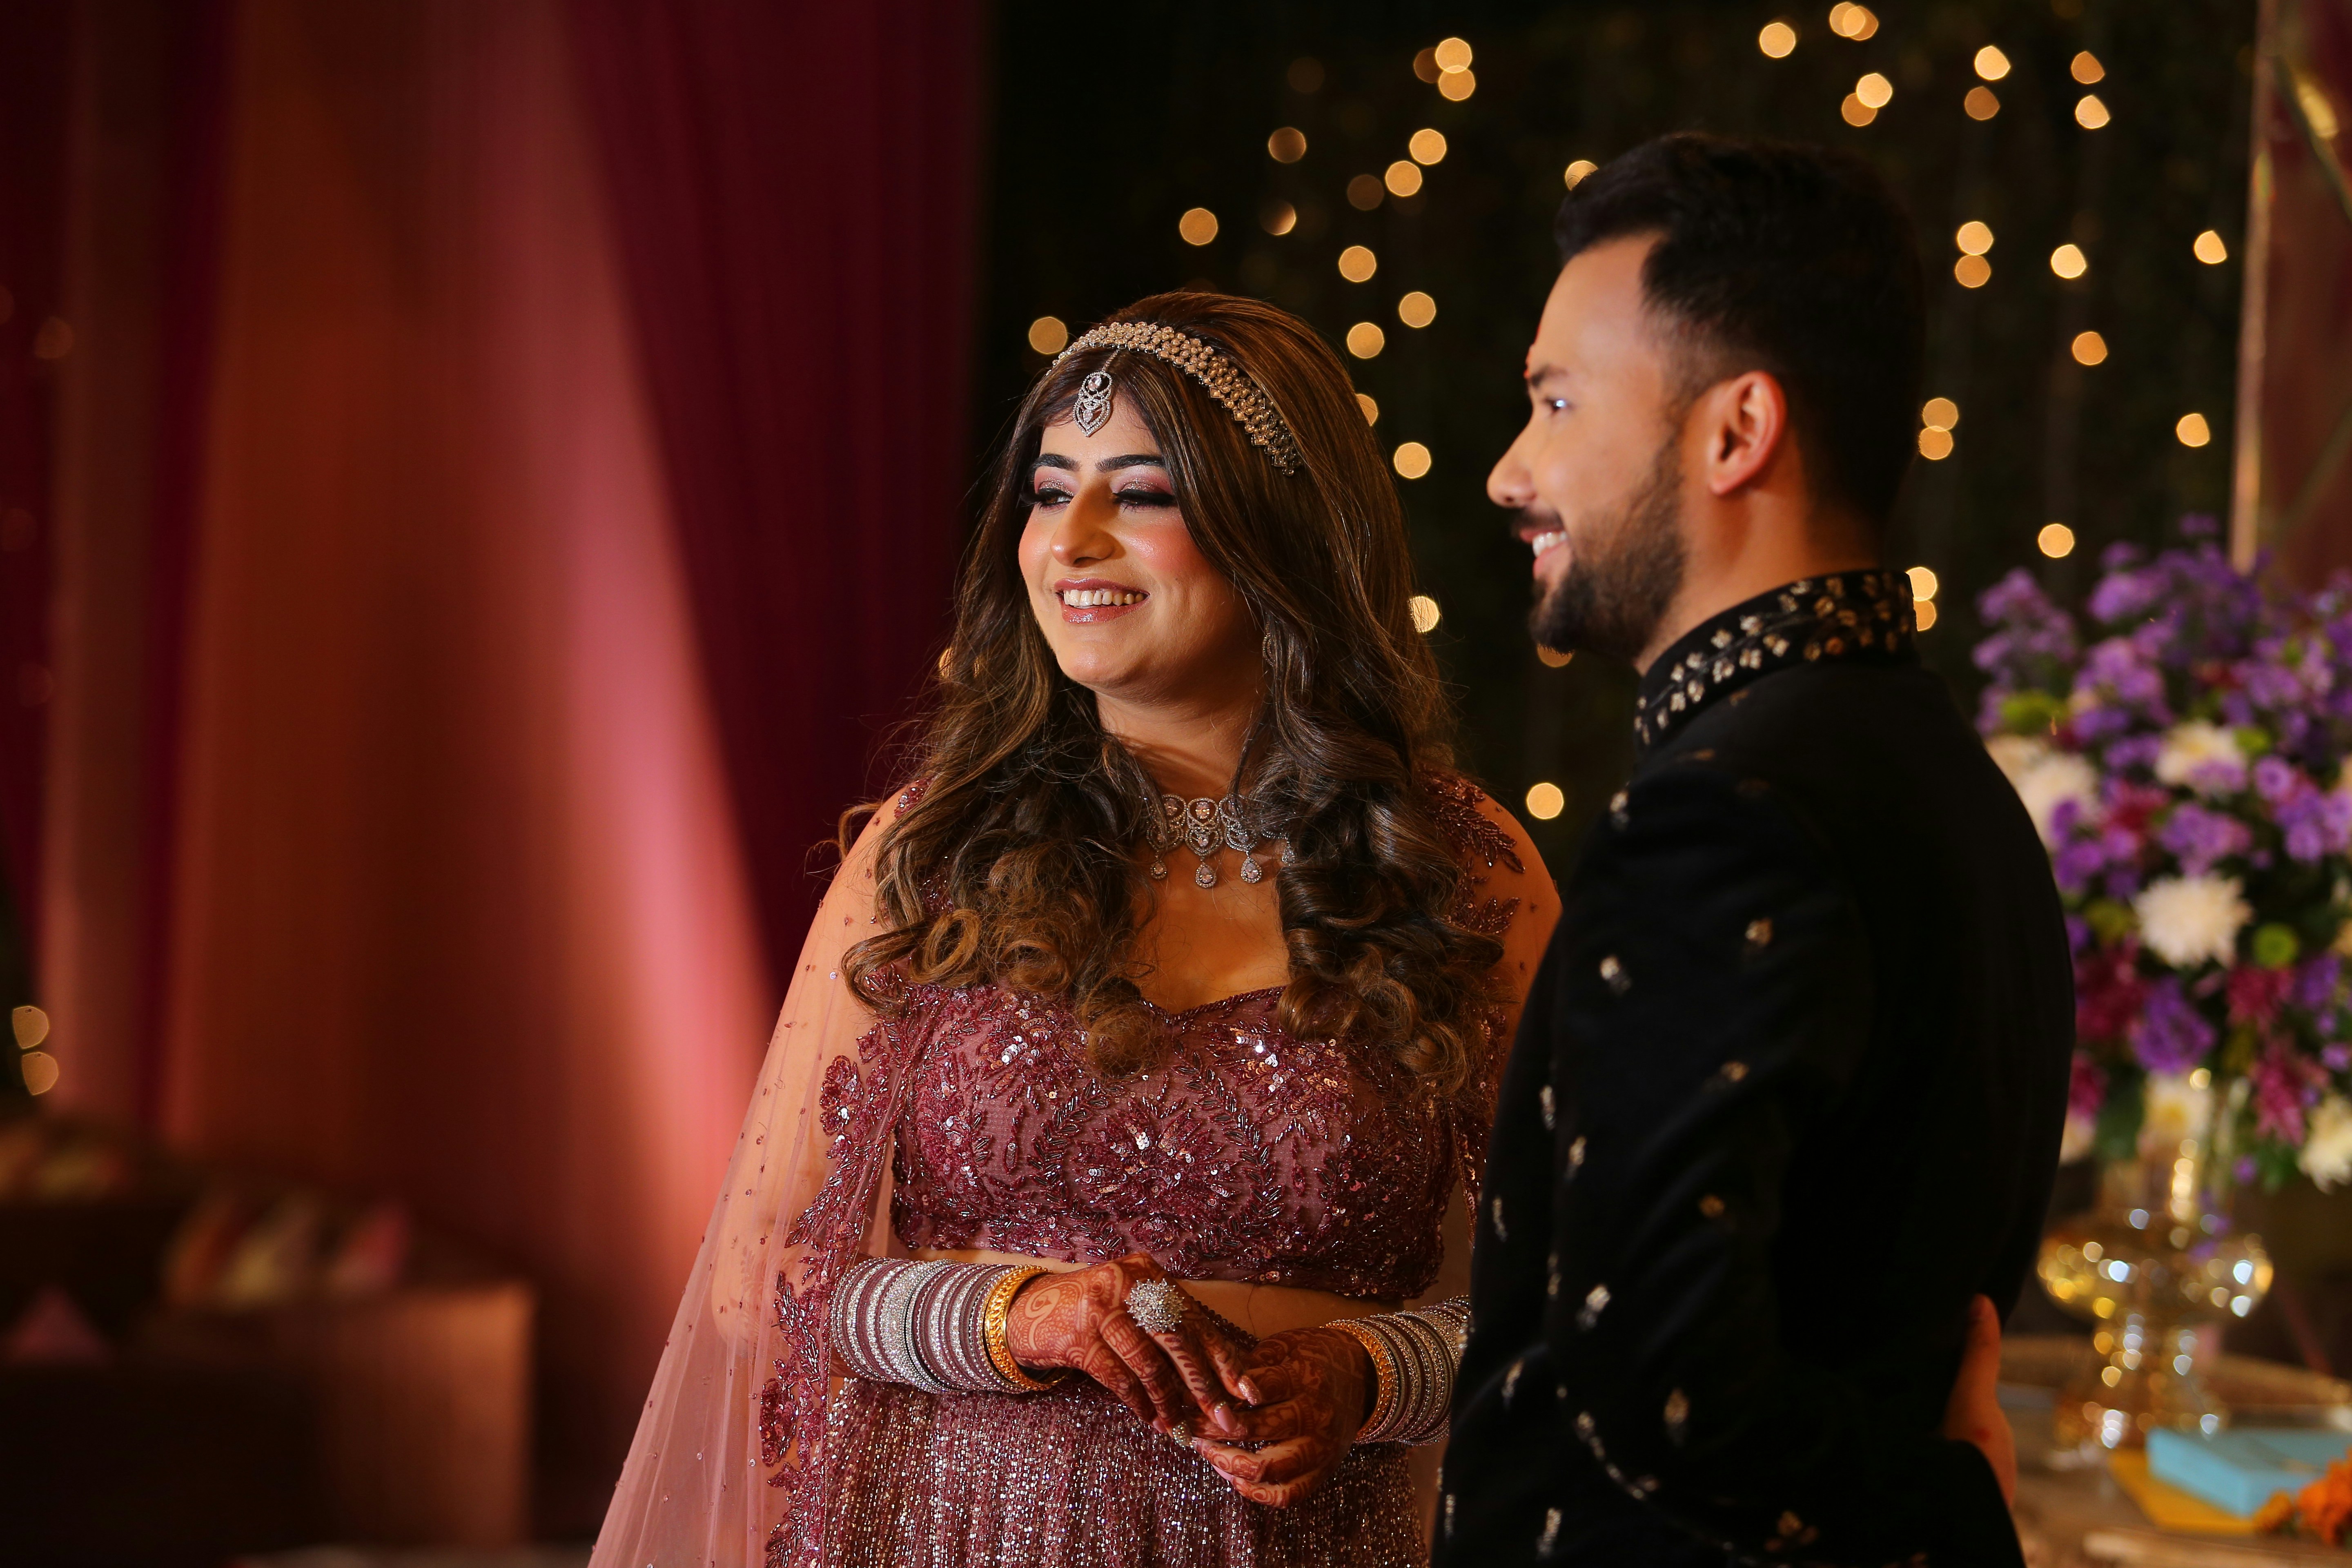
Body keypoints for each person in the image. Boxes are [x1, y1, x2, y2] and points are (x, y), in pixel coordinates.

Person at [591, 291, 1557, 1568]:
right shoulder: (933, 855)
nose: (1071, 542)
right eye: (1049, 494)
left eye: (1141, 496)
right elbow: (761, 1281)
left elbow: (1563, 1294)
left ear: (1286, 537)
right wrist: (1011, 1318)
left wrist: (1368, 1374)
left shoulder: (1456, 871)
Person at [1436, 135, 2073, 1567]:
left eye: (1555, 401)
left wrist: (1952, 1518)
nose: (1509, 471)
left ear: (1737, 432)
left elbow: (1661, 1396)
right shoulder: (1949, 782)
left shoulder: (1722, 812)